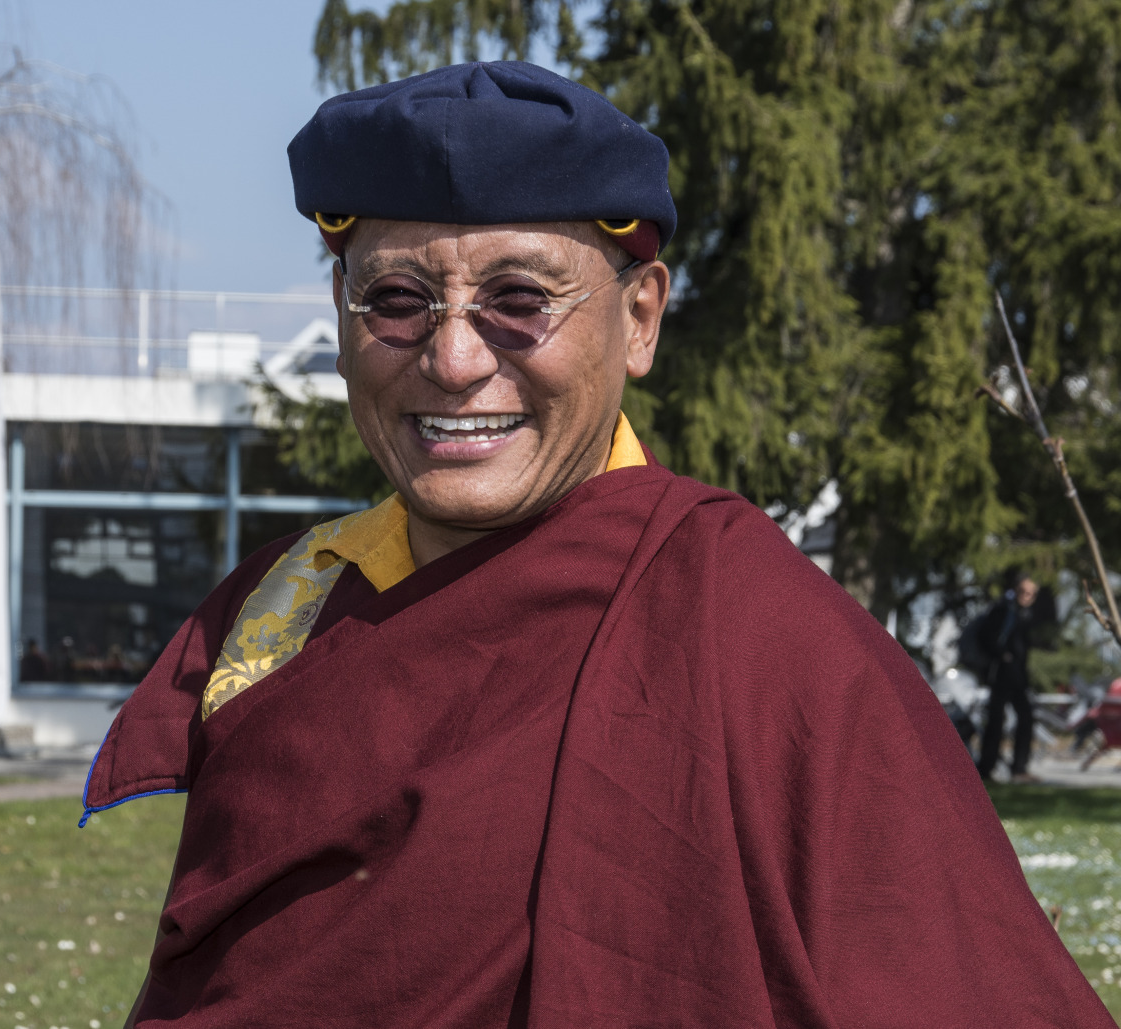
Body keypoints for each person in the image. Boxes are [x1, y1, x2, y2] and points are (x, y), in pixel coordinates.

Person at [81, 62, 1110, 1027]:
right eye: (395, 300)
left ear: (641, 318)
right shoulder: (285, 607)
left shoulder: (757, 628)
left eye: (520, 300)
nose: (450, 359)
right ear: (342, 321)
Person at [976, 575, 1040, 781]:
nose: (1027, 597)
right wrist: (1001, 655)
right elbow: (985, 637)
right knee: (996, 721)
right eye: (1024, 592)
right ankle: (986, 769)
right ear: (1016, 590)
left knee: (1026, 718)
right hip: (1001, 674)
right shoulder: (1003, 611)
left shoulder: (1025, 614)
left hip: (1018, 676)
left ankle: (1018, 768)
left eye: (1032, 594)